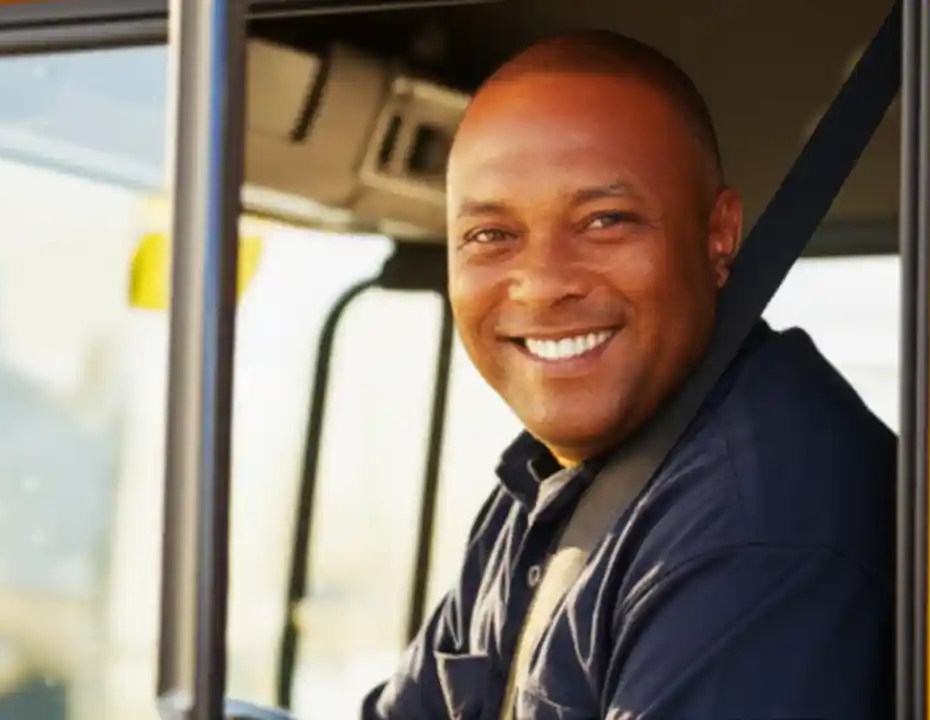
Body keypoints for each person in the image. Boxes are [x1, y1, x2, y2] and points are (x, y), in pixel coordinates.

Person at [361, 30, 895, 719]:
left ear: (718, 237)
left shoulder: (759, 521)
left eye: (605, 221)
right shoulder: (544, 485)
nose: (543, 285)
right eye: (491, 235)